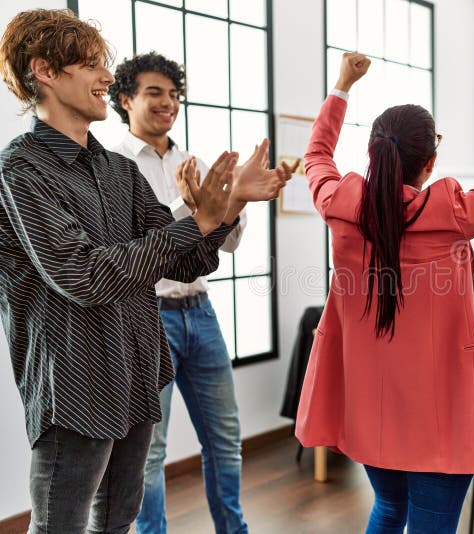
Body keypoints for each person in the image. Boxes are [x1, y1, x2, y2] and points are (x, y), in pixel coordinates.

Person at [0, 9, 288, 533]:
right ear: (43, 70)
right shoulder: (21, 168)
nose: (107, 78)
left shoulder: (118, 170)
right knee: (59, 526)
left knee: (117, 521)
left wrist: (225, 208)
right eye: (89, 64)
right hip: (75, 383)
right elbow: (84, 276)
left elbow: (189, 258)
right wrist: (197, 220)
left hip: (136, 370)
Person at [295, 32, 474, 533]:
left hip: (370, 403)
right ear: (430, 162)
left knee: (388, 509)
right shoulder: (453, 211)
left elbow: (316, 154)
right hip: (441, 411)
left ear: (372, 155)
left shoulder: (339, 206)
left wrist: (342, 85)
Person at [108, 52, 273, 534]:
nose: (168, 104)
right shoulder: (113, 168)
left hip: (201, 313)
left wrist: (235, 200)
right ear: (125, 99)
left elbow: (230, 242)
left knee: (225, 439)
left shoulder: (195, 162)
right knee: (149, 450)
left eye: (174, 95)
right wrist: (194, 206)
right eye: (154, 93)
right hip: (146, 317)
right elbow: (142, 245)